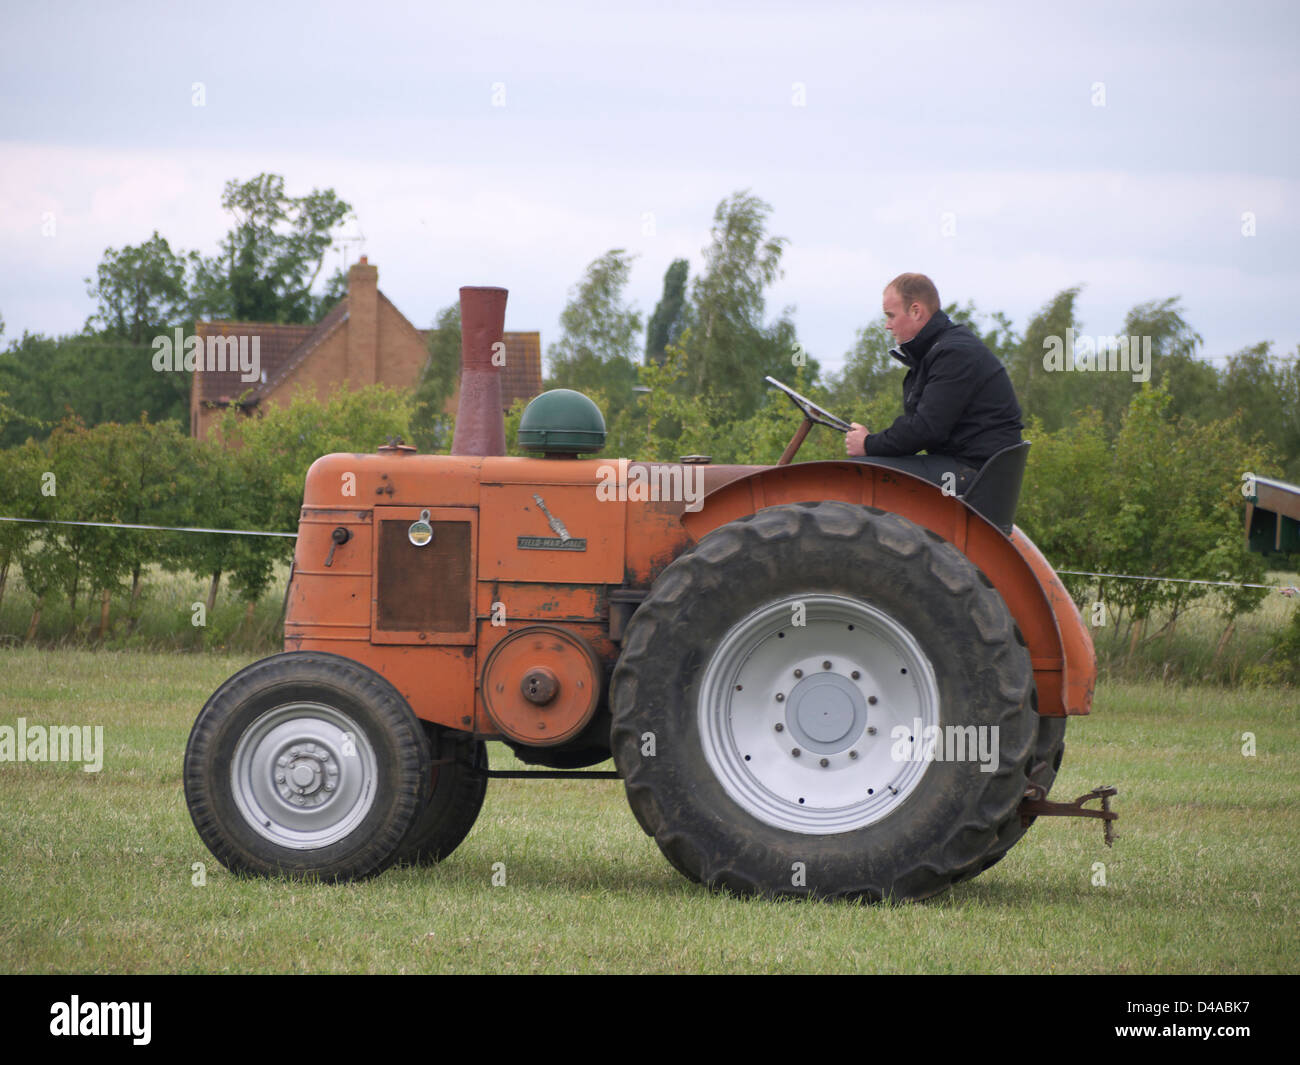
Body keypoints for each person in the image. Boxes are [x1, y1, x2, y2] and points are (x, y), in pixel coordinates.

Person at [845, 273, 1022, 494]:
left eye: (891, 316)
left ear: (916, 311)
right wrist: (872, 444)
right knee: (866, 467)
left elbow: (926, 429)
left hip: (976, 473)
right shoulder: (936, 352)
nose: (887, 326)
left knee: (859, 473)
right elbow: (921, 427)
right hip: (963, 465)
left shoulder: (954, 353)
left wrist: (869, 444)